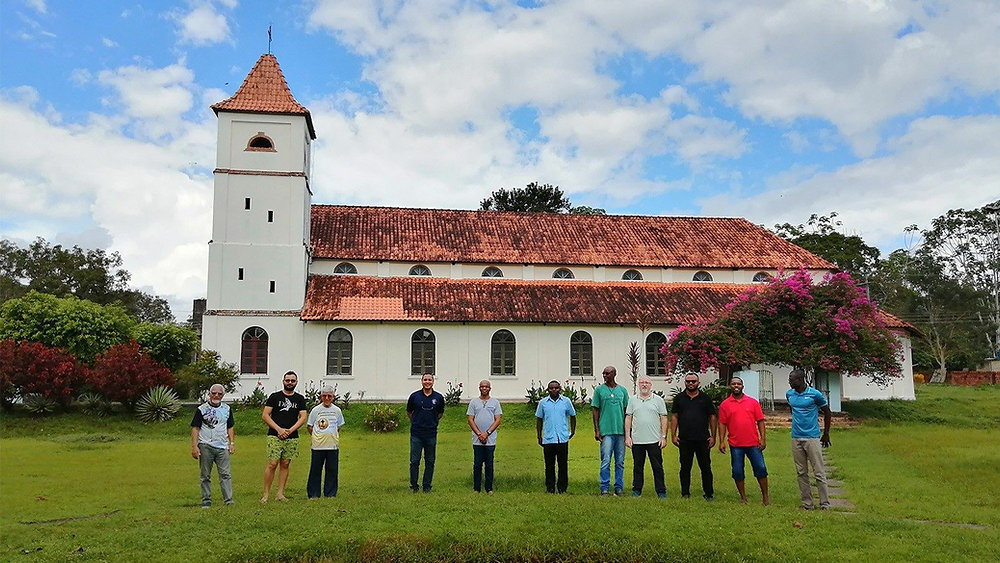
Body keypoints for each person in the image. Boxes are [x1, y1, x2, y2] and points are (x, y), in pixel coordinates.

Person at [717, 376, 770, 505]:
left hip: (753, 444)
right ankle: (743, 497)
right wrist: (721, 441)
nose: (736, 386)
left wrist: (763, 439)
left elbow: (760, 421)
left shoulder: (752, 402)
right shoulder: (725, 404)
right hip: (736, 445)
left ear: (742, 386)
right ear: (730, 386)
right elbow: (722, 423)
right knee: (737, 471)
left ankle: (765, 498)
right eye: (733, 384)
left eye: (738, 384)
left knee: (761, 469)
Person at [787, 368, 832, 510]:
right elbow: (793, 410)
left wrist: (826, 433)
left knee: (818, 471)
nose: (789, 382)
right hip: (796, 437)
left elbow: (827, 412)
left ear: (800, 380)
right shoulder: (790, 394)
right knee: (801, 472)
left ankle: (825, 503)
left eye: (791, 380)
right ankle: (807, 503)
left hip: (812, 437)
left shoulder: (815, 394)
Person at [261, 371, 308, 502]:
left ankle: (280, 494)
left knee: (285, 464)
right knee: (272, 463)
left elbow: (303, 417)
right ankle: (266, 494)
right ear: (283, 381)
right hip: (274, 435)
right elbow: (265, 415)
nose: (290, 383)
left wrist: (290, 430)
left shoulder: (299, 399)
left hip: (292, 436)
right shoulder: (274, 397)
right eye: (287, 380)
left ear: (296, 382)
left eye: (293, 381)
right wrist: (279, 429)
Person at [670, 372, 717, 501]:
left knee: (706, 467)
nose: (691, 384)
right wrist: (673, 435)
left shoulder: (705, 398)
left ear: (698, 383)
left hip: (703, 439)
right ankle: (685, 493)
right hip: (684, 439)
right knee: (685, 468)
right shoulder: (679, 398)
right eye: (688, 381)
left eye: (693, 381)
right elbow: (674, 416)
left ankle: (708, 493)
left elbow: (712, 417)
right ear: (685, 382)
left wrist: (713, 436)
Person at [190, 384, 235, 507]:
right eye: (214, 393)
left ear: (223, 395)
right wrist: (194, 446)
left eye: (219, 394)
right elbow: (195, 428)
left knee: (225, 474)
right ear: (209, 394)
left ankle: (228, 500)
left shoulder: (226, 409)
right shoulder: (201, 409)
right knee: (205, 475)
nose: (216, 395)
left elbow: (230, 427)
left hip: (222, 446)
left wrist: (231, 443)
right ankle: (206, 500)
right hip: (205, 445)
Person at [624, 375, 669, 498]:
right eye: (642, 382)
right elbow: (628, 418)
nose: (644, 385)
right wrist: (627, 437)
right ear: (639, 385)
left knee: (657, 467)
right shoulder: (632, 400)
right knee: (638, 466)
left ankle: (661, 491)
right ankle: (637, 490)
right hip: (637, 440)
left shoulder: (658, 400)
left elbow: (664, 418)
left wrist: (663, 436)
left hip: (654, 440)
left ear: (651, 385)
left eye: (647, 383)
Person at [592, 365, 629, 496]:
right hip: (606, 431)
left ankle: (619, 487)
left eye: (607, 373)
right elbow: (595, 410)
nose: (605, 376)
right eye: (603, 374)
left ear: (614, 374)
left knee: (620, 461)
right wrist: (597, 429)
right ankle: (604, 487)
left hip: (620, 432)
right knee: (606, 459)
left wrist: (628, 432)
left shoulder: (623, 391)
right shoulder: (599, 391)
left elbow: (627, 412)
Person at [535, 380, 577, 493]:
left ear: (560, 389)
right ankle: (550, 488)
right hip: (548, 439)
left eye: (556, 388)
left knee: (563, 465)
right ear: (548, 390)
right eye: (551, 388)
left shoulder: (566, 401)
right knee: (549, 465)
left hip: (562, 438)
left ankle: (562, 488)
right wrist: (539, 436)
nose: (554, 390)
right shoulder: (543, 403)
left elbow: (573, 416)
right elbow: (539, 420)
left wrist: (572, 431)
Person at [406, 373, 445, 493]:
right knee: (414, 461)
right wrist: (417, 421)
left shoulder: (438, 397)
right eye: (425, 380)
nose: (427, 382)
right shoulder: (414, 396)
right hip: (416, 434)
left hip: (431, 434)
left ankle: (427, 486)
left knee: (430, 461)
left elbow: (440, 414)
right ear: (421, 381)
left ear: (433, 382)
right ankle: (414, 486)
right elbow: (409, 412)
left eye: (430, 380)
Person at [306, 386, 345, 498]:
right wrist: (316, 437)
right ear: (321, 397)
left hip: (332, 446)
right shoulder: (316, 410)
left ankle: (330, 494)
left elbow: (338, 426)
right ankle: (313, 494)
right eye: (324, 396)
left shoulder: (337, 410)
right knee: (315, 470)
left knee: (332, 470)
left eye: (329, 396)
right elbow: (310, 426)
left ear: (333, 397)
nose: (326, 398)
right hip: (318, 446)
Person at [467, 380, 503, 494]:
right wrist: (479, 434)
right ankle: (476, 488)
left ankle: (489, 488)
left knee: (489, 464)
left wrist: (487, 433)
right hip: (477, 439)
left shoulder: (495, 402)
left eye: (486, 387)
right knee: (477, 464)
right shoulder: (474, 402)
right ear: (479, 388)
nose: (484, 388)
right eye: (482, 386)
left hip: (490, 439)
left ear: (490, 388)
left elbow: (498, 419)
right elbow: (470, 419)